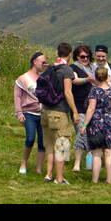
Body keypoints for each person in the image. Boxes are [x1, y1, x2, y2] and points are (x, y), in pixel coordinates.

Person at [39, 42, 82, 185]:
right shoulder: (66, 70)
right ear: (69, 54)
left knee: (50, 145)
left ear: (57, 53)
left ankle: (49, 174)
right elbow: (68, 92)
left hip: (45, 111)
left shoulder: (49, 68)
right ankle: (59, 178)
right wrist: (75, 112)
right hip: (59, 113)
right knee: (62, 145)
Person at [14, 52, 47, 176]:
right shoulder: (22, 79)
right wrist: (19, 113)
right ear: (35, 62)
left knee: (42, 142)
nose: (44, 64)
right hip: (29, 113)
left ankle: (39, 168)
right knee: (30, 138)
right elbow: (17, 97)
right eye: (42, 62)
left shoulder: (44, 78)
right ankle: (24, 162)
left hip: (43, 113)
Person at [68, 45, 96, 174]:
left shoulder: (94, 68)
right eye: (82, 57)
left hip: (93, 105)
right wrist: (87, 79)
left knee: (91, 133)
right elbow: (74, 80)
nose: (85, 59)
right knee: (81, 132)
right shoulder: (73, 67)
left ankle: (89, 162)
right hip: (78, 106)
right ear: (77, 57)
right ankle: (78, 163)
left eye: (87, 56)